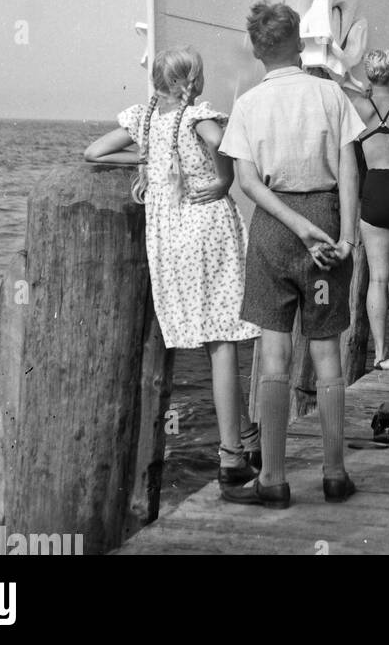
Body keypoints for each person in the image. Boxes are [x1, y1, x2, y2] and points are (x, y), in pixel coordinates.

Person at [85, 47, 262, 488]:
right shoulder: (196, 117)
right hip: (207, 229)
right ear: (191, 82)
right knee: (223, 343)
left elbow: (94, 152)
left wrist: (147, 160)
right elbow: (221, 144)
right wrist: (223, 179)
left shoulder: (147, 122)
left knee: (211, 339)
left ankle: (245, 435)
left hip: (171, 239)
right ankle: (231, 455)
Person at [219, 1, 364, 507]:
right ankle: (334, 474)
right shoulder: (331, 95)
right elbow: (350, 170)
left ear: (257, 49)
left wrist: (296, 226)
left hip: (276, 233)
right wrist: (344, 237)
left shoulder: (248, 104)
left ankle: (274, 480)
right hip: (326, 225)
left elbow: (247, 182)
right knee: (326, 351)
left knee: (275, 353)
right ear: (301, 40)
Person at [351, 48, 389, 370]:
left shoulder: (359, 107)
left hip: (374, 187)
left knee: (378, 279)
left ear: (370, 74)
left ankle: (380, 351)